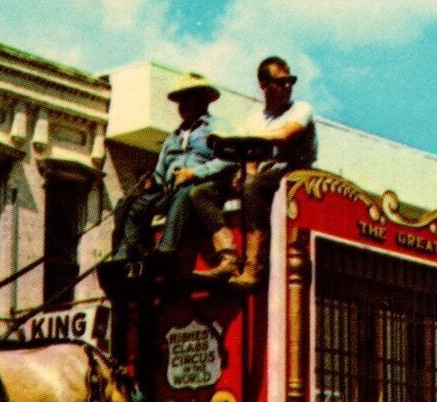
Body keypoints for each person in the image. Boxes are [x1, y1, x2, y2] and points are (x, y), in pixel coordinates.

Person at [110, 73, 236, 284]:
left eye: (188, 98)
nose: (182, 105)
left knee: (186, 192)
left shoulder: (219, 127)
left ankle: (166, 251)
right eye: (180, 101)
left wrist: (195, 173)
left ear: (203, 100)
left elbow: (230, 160)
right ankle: (126, 254)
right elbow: (161, 172)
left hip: (204, 187)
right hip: (171, 190)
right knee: (128, 205)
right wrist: (152, 182)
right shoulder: (172, 138)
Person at [227, 57, 316, 291]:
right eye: (281, 82)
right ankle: (226, 257)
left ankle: (254, 264)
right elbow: (251, 161)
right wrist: (244, 173)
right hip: (268, 175)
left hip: (297, 173)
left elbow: (287, 133)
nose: (288, 86)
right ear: (263, 85)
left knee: (254, 187)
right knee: (217, 188)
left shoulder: (301, 109)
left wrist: (247, 142)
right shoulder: (255, 119)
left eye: (291, 81)